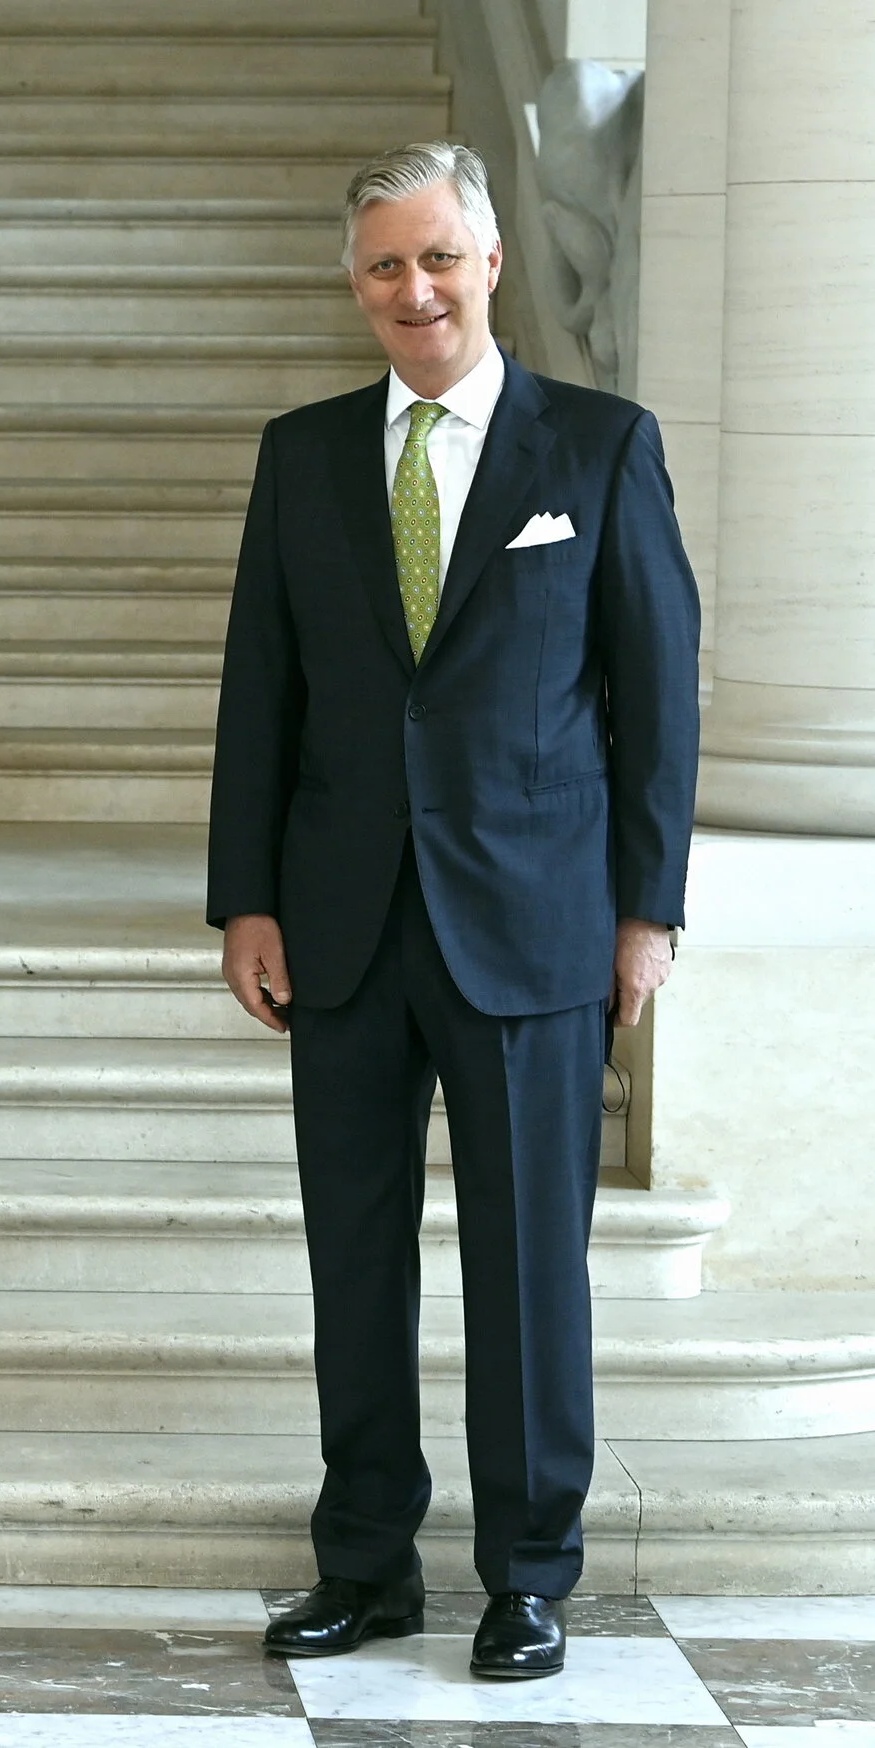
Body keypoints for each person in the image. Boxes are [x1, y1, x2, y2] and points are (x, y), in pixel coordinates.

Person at [207, 141, 701, 1679]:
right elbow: (259, 693)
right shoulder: (301, 455)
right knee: (353, 1257)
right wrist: (244, 899)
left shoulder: (600, 448)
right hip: (343, 922)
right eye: (382, 266)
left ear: (489, 262)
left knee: (528, 1265)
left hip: (536, 922)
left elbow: (659, 693)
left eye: (436, 259)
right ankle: (365, 1560)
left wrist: (647, 911)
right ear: (354, 284)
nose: (412, 290)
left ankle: (527, 1572)